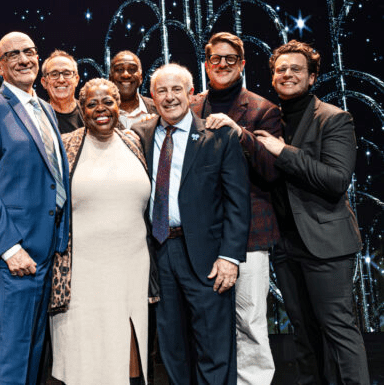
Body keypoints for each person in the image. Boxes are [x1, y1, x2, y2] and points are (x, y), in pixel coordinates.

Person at [256, 40, 370, 384]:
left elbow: (336, 180)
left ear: (312, 77)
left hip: (326, 244)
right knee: (304, 336)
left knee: (338, 330)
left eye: (296, 69)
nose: (287, 74)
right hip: (286, 247)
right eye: (281, 69)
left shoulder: (334, 118)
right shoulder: (270, 118)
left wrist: (282, 151)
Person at [132, 63, 250, 384]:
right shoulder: (138, 135)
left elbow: (238, 204)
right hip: (158, 256)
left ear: (191, 94)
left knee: (214, 348)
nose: (169, 97)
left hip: (207, 257)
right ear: (152, 97)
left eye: (176, 89)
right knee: (171, 350)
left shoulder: (219, 135)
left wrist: (230, 257)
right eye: (161, 91)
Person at [0, 31, 71, 385]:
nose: (24, 59)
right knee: (11, 358)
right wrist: (10, 248)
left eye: (30, 51)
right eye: (14, 54)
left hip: (44, 251)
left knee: (33, 355)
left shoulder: (43, 108)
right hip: (14, 256)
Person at [49, 78, 157, 385]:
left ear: (118, 106)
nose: (101, 109)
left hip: (131, 266)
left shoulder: (135, 143)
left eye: (108, 102)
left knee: (128, 348)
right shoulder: (65, 145)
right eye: (92, 103)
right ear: (81, 109)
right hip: (81, 269)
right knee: (83, 351)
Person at [190, 32, 280, 384]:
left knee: (250, 321)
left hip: (250, 235)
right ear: (206, 64)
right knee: (207, 322)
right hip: (200, 233)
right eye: (216, 59)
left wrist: (240, 133)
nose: (223, 65)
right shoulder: (192, 105)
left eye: (231, 59)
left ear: (242, 64)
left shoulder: (263, 110)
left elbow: (272, 171)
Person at [109, 50, 157, 128]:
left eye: (132, 69)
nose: (126, 75)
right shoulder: (101, 112)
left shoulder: (158, 109)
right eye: (119, 69)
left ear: (141, 78)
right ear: (110, 78)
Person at [40, 49, 84, 133]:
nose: (61, 79)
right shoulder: (37, 119)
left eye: (67, 73)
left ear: (76, 79)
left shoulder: (89, 114)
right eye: (54, 74)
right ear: (44, 82)